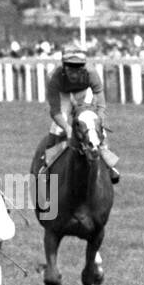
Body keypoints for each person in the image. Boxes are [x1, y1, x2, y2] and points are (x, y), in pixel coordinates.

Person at [35, 44, 120, 183]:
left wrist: (100, 118)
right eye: (70, 69)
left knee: (94, 124)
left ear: (83, 67)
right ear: (63, 67)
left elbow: (100, 99)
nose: (74, 73)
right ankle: (47, 164)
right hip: (63, 94)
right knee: (56, 129)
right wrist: (67, 128)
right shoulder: (54, 77)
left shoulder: (91, 73)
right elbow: (55, 111)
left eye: (78, 68)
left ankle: (108, 163)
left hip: (84, 92)